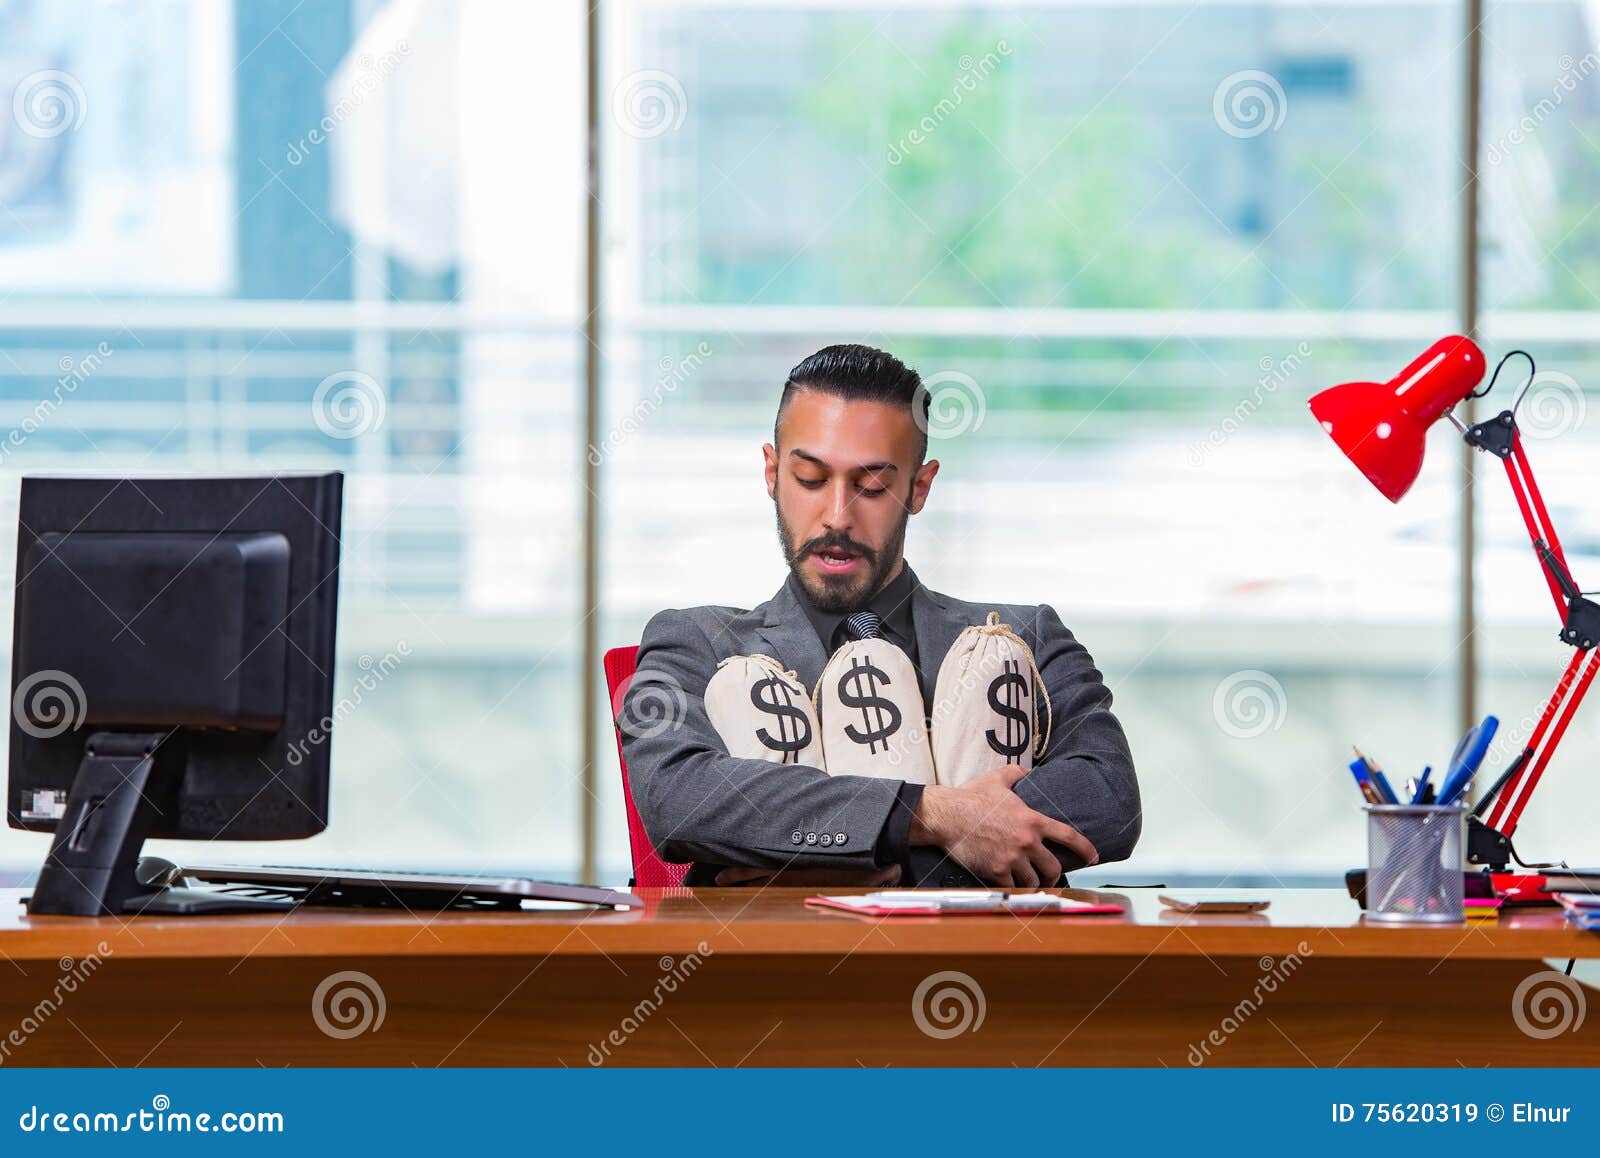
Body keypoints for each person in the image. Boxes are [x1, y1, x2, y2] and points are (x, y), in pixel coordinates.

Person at [621, 344, 1140, 887]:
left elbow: (1108, 799)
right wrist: (937, 816)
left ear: (919, 487)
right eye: (810, 479)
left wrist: (807, 857)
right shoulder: (698, 644)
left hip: (998, 965)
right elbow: (681, 800)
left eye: (871, 486)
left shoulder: (1025, 637)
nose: (838, 516)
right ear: (772, 473)